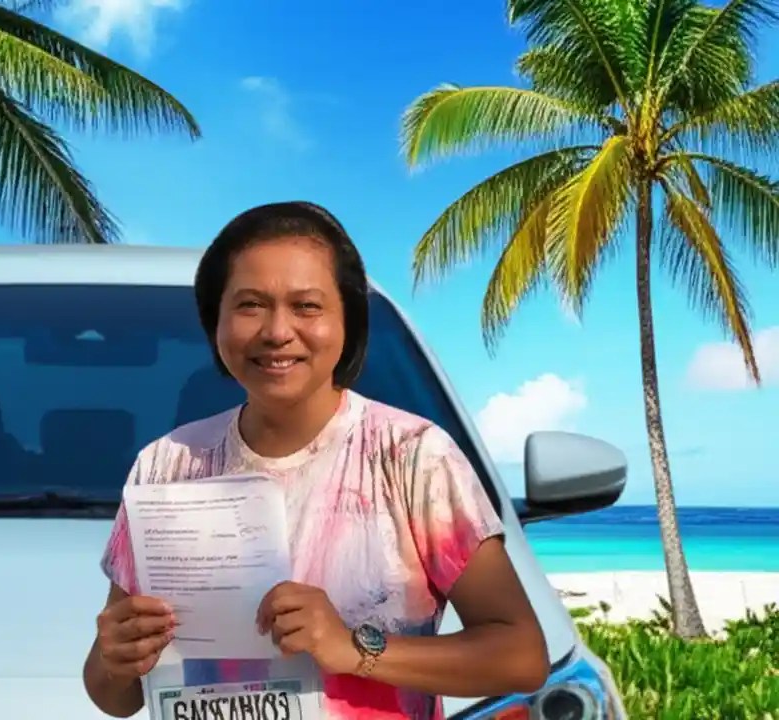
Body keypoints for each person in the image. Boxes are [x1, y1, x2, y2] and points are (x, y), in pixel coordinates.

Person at [80, 201, 550, 719]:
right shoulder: (167, 467)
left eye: (307, 306)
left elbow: (521, 656)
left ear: (347, 320)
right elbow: (113, 695)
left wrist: (355, 648)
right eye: (250, 304)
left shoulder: (412, 457)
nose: (277, 331)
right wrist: (114, 657)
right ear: (215, 320)